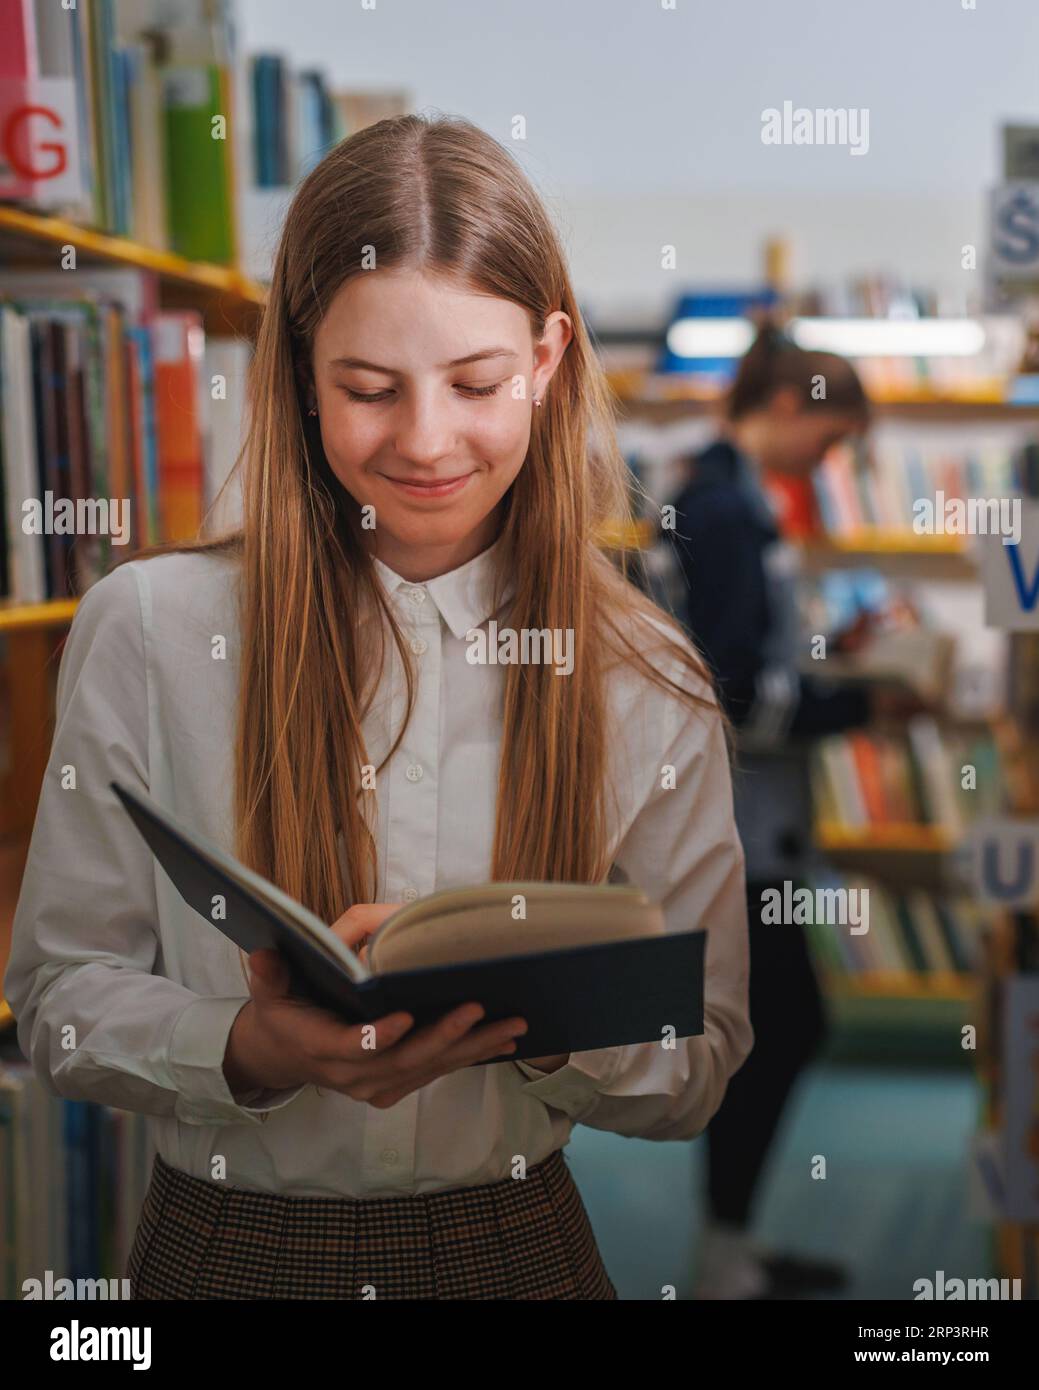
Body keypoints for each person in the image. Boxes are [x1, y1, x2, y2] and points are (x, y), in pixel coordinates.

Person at [4, 114, 751, 1301]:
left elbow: (702, 1061)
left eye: (475, 383)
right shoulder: (148, 628)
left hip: (517, 1255)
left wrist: (551, 1023)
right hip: (225, 1254)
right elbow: (57, 1003)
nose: (425, 441)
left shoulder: (642, 672)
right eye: (367, 388)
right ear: (299, 369)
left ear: (549, 361)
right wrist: (241, 1046)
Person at [665, 323, 872, 1300]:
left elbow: (750, 656)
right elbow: (742, 692)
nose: (825, 465)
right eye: (828, 443)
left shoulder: (719, 495)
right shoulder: (727, 510)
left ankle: (728, 1245)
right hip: (737, 836)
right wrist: (868, 702)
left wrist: (837, 652)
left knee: (769, 1027)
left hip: (747, 828)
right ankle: (723, 1253)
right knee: (777, 1028)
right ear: (787, 408)